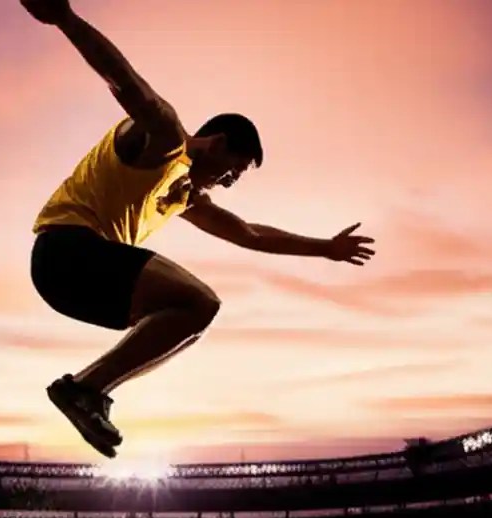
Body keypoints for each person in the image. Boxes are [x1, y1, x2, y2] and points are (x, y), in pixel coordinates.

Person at [22, 0, 375, 458]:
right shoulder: (165, 140)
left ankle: (89, 391)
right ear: (219, 142)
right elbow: (126, 84)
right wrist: (66, 20)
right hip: (64, 251)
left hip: (73, 284)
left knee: (193, 316)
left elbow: (249, 233)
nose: (229, 183)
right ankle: (85, 388)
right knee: (197, 300)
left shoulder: (183, 194)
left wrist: (325, 248)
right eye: (235, 170)